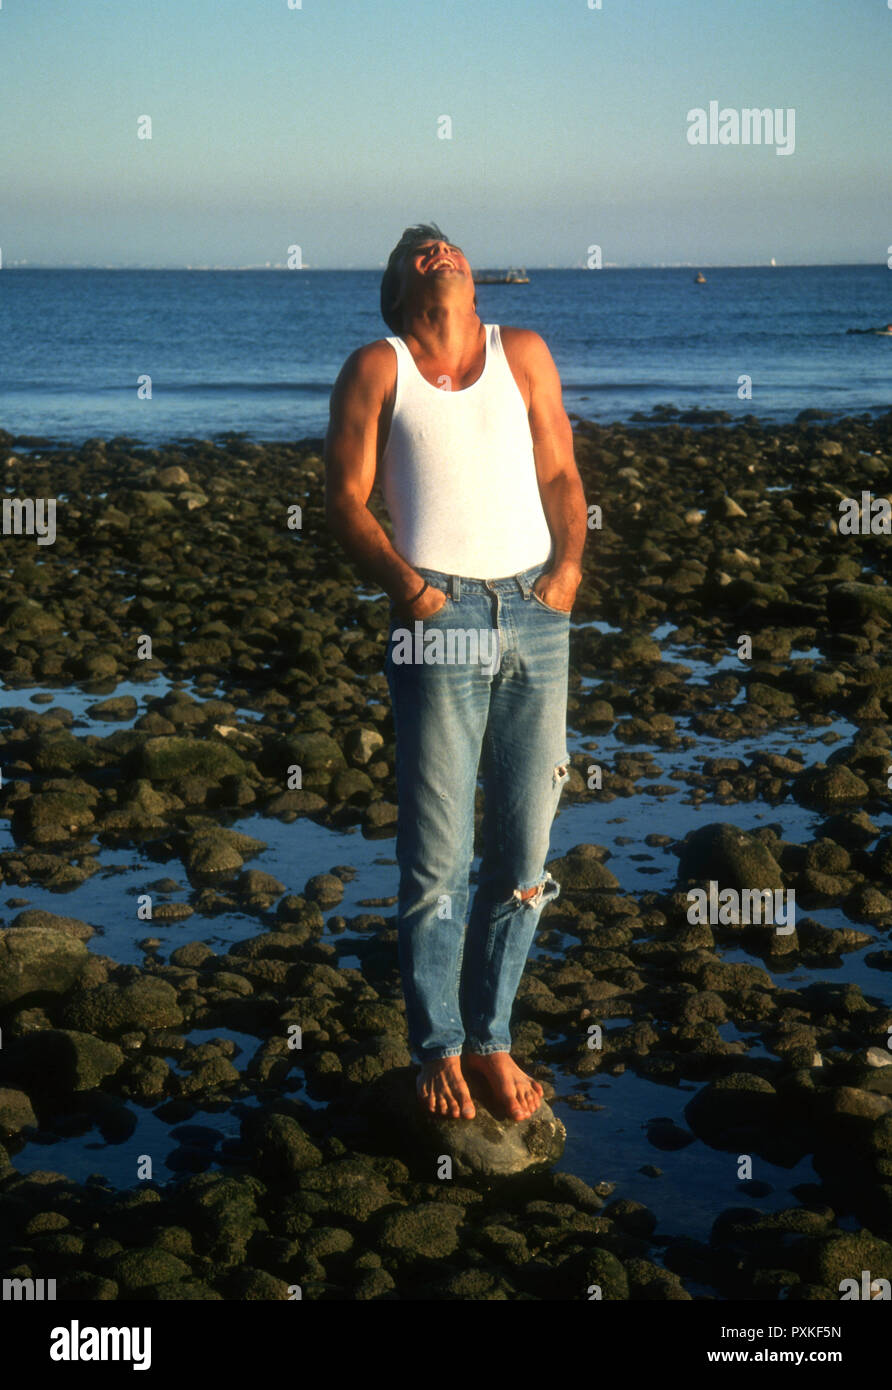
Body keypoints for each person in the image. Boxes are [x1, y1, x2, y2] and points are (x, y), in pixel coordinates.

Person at [324, 223, 587, 1122]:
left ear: (476, 279)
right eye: (416, 252)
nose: (438, 250)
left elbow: (561, 471)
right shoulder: (378, 366)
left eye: (446, 244)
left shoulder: (525, 352)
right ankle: (437, 1045)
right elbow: (344, 502)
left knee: (524, 851)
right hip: (438, 615)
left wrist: (569, 571)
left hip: (535, 609)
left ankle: (493, 1038)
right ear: (398, 291)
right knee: (437, 857)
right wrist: (408, 588)